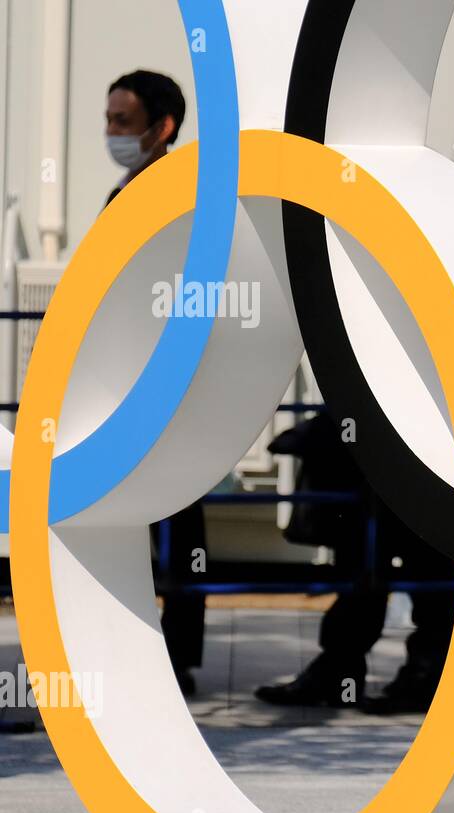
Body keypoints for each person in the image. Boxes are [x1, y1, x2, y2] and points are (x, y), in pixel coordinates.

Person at [105, 70, 205, 697]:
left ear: (162, 128)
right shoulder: (128, 190)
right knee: (130, 519)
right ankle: (137, 645)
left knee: (179, 523)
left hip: (167, 386)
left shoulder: (177, 194)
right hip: (128, 381)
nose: (111, 132)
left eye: (123, 121)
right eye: (109, 119)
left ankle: (178, 655)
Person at [254, 413, 454, 713]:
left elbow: (287, 441)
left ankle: (355, 676)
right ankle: (400, 677)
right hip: (400, 499)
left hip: (403, 501)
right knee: (379, 582)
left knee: (394, 583)